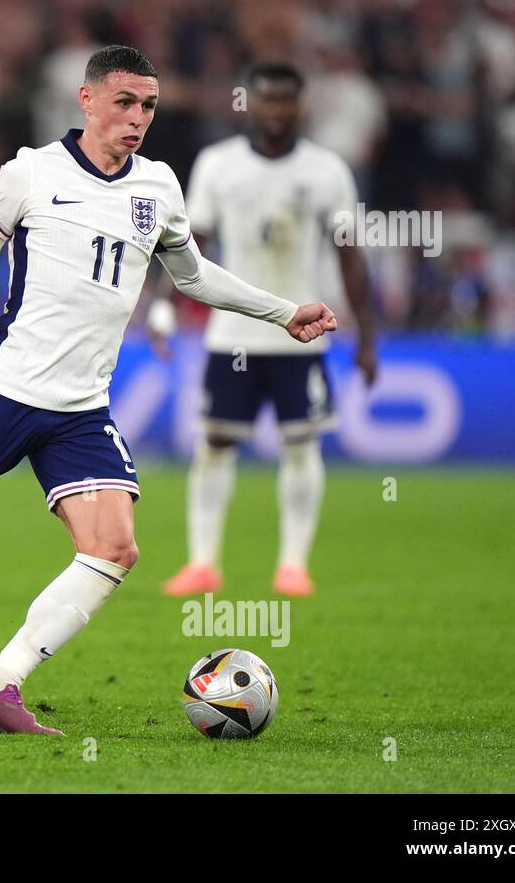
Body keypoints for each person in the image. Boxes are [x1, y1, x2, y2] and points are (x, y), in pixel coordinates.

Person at [0, 47, 338, 732]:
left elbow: (193, 276)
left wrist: (284, 312)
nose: (137, 119)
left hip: (80, 407)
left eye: (149, 107)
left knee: (114, 547)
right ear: (86, 100)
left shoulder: (159, 186)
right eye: (124, 102)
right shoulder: (31, 171)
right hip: (4, 392)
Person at [158, 62, 377, 599]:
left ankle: (293, 565)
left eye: (286, 100)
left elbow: (350, 257)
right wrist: (164, 309)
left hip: (300, 335)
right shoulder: (217, 164)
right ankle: (203, 563)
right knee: (214, 443)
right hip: (230, 332)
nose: (276, 110)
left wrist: (368, 338)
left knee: (301, 446)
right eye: (267, 99)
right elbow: (189, 248)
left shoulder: (327, 171)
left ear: (301, 105)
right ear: (248, 103)